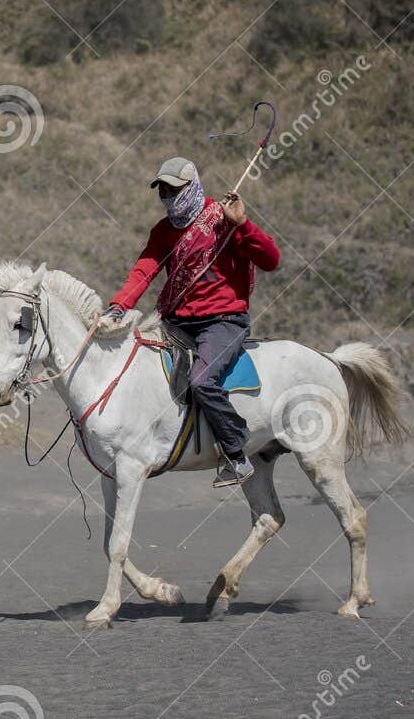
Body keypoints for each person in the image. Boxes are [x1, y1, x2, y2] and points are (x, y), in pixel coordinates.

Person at [103, 157, 281, 487]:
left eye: (175, 189)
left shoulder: (223, 219)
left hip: (223, 321)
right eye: (164, 191)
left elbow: (271, 259)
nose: (169, 197)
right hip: (176, 322)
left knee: (201, 381)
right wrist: (118, 306)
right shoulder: (163, 231)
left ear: (193, 186)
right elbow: (144, 270)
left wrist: (242, 224)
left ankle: (236, 453)